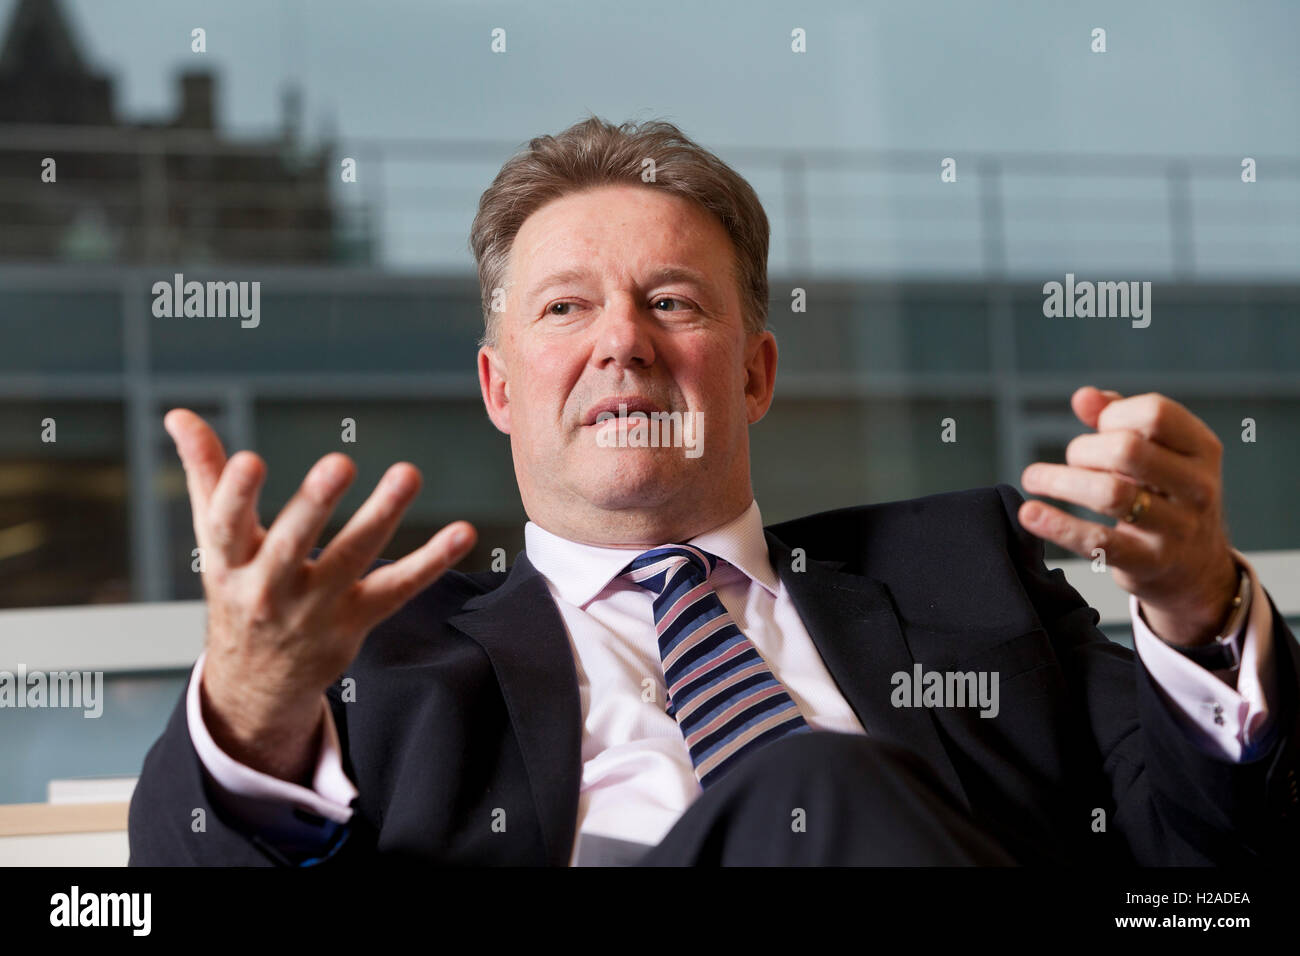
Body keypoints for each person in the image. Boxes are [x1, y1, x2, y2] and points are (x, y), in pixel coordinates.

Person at [128, 116, 1298, 866]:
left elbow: (1212, 852)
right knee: (807, 783)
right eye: (564, 307)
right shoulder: (383, 661)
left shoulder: (965, 571)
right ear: (499, 388)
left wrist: (1198, 610)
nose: (622, 344)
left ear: (754, 370)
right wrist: (249, 701)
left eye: (674, 301)